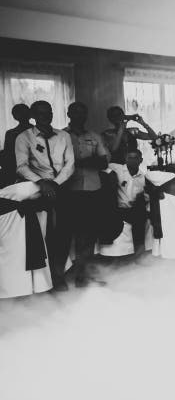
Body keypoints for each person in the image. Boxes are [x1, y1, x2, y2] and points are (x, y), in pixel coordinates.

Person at [15, 100, 75, 291]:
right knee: (43, 232)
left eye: (48, 112)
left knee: (64, 231)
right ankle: (45, 279)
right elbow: (22, 166)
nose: (46, 116)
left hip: (61, 186)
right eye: (41, 113)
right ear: (33, 115)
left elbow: (70, 164)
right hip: (37, 188)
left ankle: (59, 273)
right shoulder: (24, 137)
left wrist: (55, 184)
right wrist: (42, 183)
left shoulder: (63, 135)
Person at [63, 102, 110, 287]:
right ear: (68, 114)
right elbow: (62, 165)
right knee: (71, 234)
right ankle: (64, 275)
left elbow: (104, 162)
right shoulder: (61, 135)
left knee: (89, 233)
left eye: (83, 113)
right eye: (75, 112)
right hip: (69, 191)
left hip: (93, 189)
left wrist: (78, 162)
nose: (79, 116)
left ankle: (84, 274)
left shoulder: (94, 136)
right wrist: (90, 161)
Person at [107, 147, 148, 254]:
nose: (132, 160)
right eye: (130, 157)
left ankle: (140, 253)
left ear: (141, 160)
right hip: (118, 208)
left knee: (141, 217)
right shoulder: (117, 168)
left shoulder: (143, 177)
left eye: (136, 158)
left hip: (134, 210)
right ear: (125, 159)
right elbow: (103, 166)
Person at [0, 103, 32, 187]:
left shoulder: (11, 133)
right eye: (20, 113)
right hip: (15, 169)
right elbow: (8, 154)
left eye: (24, 113)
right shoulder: (11, 133)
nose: (22, 116)